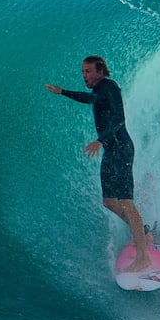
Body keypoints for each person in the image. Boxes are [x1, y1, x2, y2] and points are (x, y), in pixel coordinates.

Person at [46, 55, 152, 272]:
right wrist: (63, 92)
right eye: (82, 71)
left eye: (87, 71)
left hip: (121, 149)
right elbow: (89, 98)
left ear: (100, 71)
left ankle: (143, 257)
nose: (84, 75)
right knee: (109, 201)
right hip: (111, 151)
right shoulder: (98, 91)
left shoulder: (110, 87)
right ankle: (142, 233)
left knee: (126, 201)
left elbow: (119, 118)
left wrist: (99, 140)